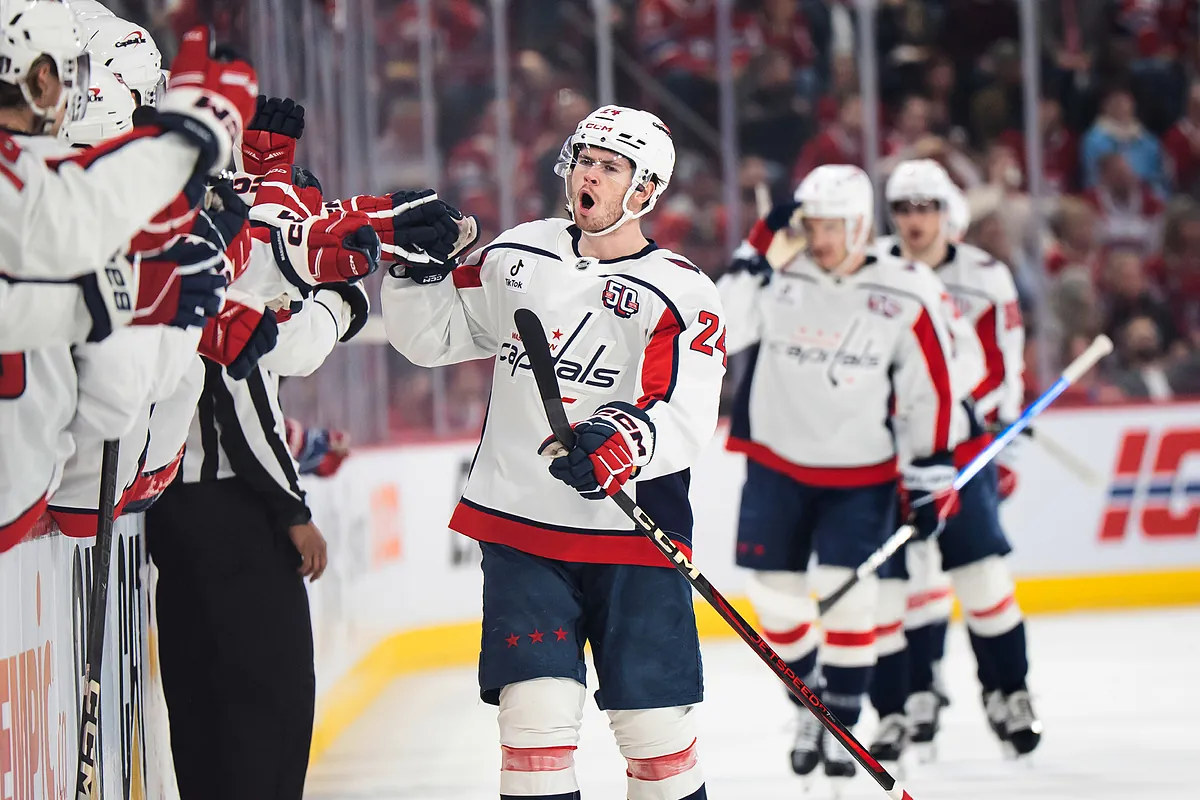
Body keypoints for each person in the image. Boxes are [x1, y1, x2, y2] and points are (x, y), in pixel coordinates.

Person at [382, 105, 725, 800]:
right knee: (533, 721)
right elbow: (436, 339)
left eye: (610, 166)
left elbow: (685, 410)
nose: (588, 176)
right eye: (585, 161)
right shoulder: (519, 255)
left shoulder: (682, 290)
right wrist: (415, 276)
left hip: (634, 536)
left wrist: (618, 441)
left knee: (654, 731)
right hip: (522, 527)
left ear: (645, 189)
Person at [717, 163, 963, 789]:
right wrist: (754, 250)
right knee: (772, 601)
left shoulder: (908, 288)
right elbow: (720, 330)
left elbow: (930, 390)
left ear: (859, 226)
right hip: (776, 461)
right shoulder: (778, 275)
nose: (819, 237)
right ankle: (812, 700)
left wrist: (932, 472)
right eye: (811, 225)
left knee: (846, 589)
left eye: (832, 226)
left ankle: (843, 722)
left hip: (862, 472)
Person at [874, 159, 1041, 761]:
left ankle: (1009, 691)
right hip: (893, 449)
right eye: (904, 208)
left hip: (964, 442)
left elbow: (1004, 366)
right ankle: (918, 692)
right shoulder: (875, 269)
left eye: (926, 207)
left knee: (979, 574)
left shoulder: (986, 275)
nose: (915, 220)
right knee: (904, 581)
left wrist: (995, 433)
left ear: (947, 213)